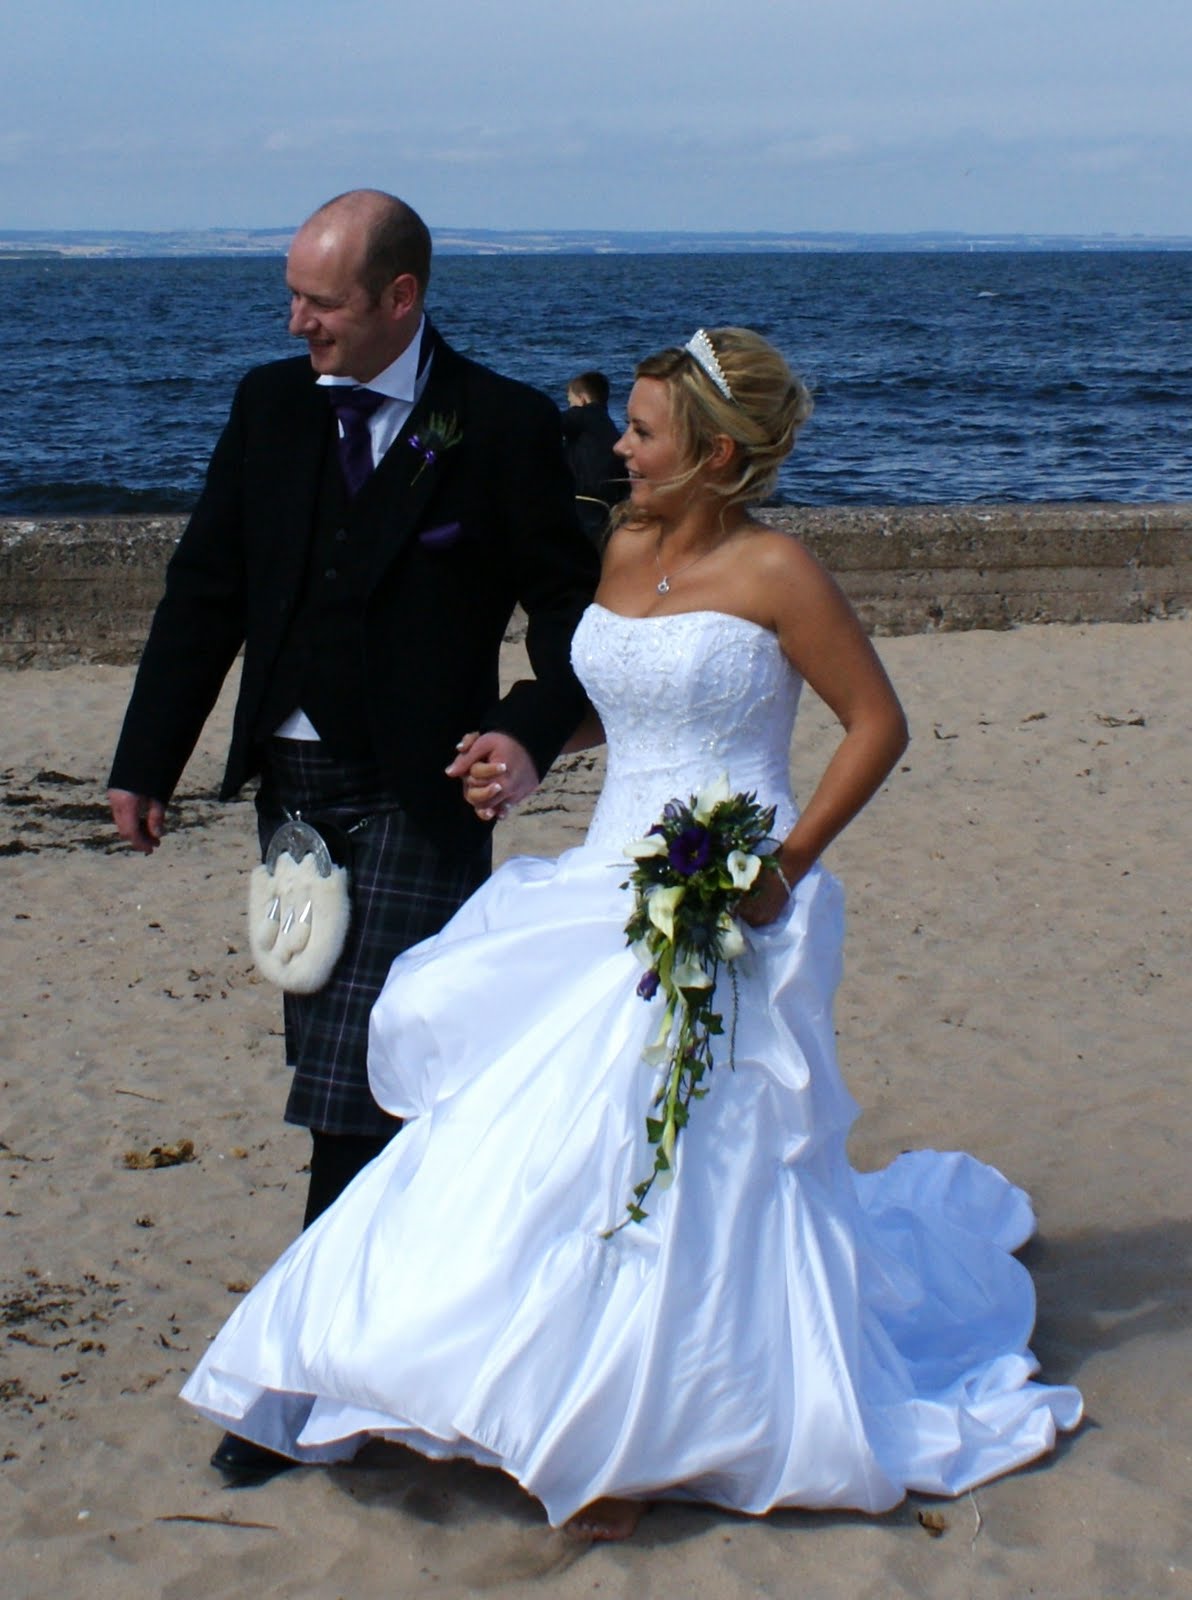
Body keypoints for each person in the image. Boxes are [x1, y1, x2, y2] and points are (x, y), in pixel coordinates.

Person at [180, 327, 1082, 1539]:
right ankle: (508, 1379)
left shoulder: (778, 572)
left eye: (643, 431)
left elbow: (876, 724)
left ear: (714, 455)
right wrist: (528, 749)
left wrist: (784, 866)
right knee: (539, 1133)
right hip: (604, 877)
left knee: (682, 1148)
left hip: (726, 895)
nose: (618, 446)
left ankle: (657, 1423)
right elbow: (621, 703)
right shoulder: (621, 546)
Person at [107, 189, 599, 1479]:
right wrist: (146, 763)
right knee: (355, 1075)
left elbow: (571, 612)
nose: (296, 321)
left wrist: (528, 731)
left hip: (423, 797)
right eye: (292, 295)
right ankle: (395, 1340)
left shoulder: (497, 423)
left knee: (356, 1091)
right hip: (292, 798)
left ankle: (297, 1386)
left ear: (399, 297)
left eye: (319, 301)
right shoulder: (269, 406)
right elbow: (206, 588)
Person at [561, 369, 627, 544]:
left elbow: (548, 422)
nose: (570, 407)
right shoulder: (608, 426)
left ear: (582, 399)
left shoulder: (585, 414)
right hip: (608, 507)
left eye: (570, 402)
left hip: (585, 505)